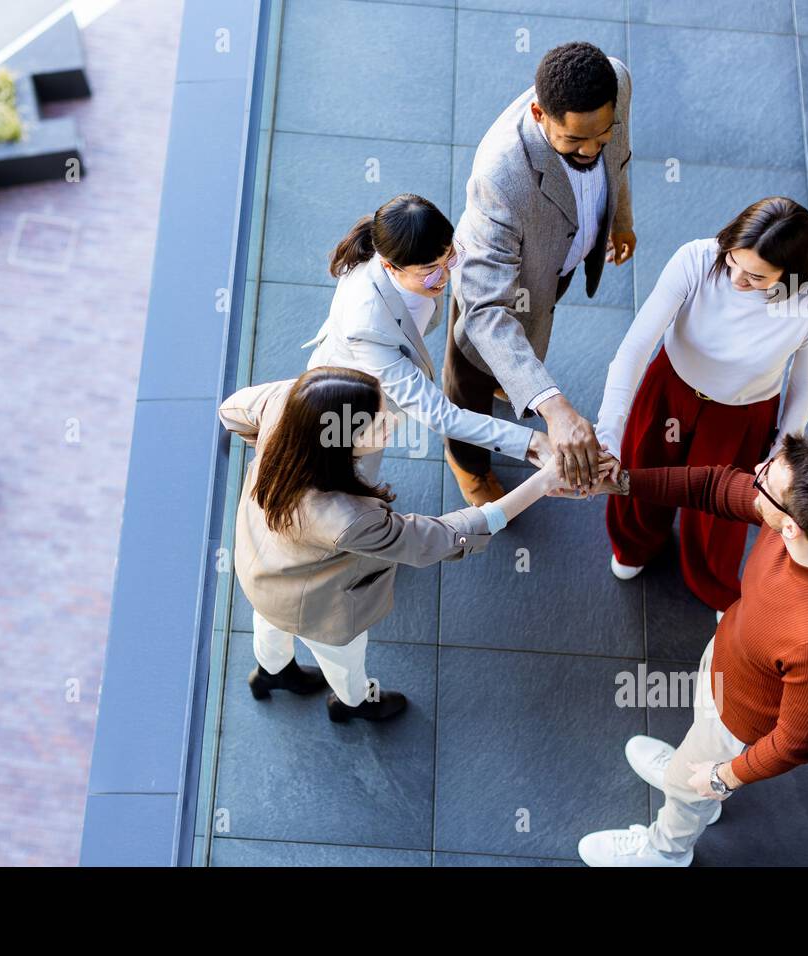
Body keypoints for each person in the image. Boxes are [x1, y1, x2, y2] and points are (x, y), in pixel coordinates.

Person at [572, 435, 808, 866]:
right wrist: (621, 482)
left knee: (690, 788)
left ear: (790, 527)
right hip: (732, 660)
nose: (755, 473)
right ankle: (690, 770)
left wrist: (723, 776)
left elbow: (795, 743)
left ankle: (665, 850)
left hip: (738, 723)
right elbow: (712, 488)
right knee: (698, 743)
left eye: (766, 477)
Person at [219, 367, 565, 723]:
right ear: (338, 439)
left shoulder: (285, 408)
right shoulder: (348, 518)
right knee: (345, 664)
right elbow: (440, 538)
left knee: (268, 627)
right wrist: (541, 484)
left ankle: (271, 673)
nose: (393, 424)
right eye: (378, 423)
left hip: (259, 572)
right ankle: (353, 703)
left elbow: (231, 410)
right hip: (314, 610)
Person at [595, 198, 808, 616]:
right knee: (641, 470)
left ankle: (709, 577)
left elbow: (804, 386)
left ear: (790, 273)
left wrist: (780, 454)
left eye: (757, 276)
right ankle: (634, 543)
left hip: (741, 415)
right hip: (671, 389)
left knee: (720, 511)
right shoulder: (697, 258)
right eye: (734, 263)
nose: (737, 279)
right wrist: (609, 431)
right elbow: (636, 346)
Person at [446, 40, 635, 505]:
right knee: (471, 375)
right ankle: (467, 462)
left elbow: (619, 160)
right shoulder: (500, 176)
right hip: (493, 287)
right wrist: (555, 407)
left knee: (527, 333)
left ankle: (512, 378)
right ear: (538, 114)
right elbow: (485, 310)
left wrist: (621, 221)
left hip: (551, 263)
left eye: (601, 134)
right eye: (574, 141)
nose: (591, 150)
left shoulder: (618, 81)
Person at [304, 194, 552, 480]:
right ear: (389, 266)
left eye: (450, 259)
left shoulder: (402, 241)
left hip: (374, 370)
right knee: (356, 467)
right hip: (349, 404)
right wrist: (528, 442)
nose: (445, 277)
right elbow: (440, 415)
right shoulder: (368, 327)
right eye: (431, 273)